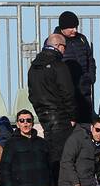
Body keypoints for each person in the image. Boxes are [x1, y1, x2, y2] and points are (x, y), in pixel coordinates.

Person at [29, 33, 76, 176]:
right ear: (58, 46)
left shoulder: (33, 67)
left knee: (50, 156)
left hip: (43, 116)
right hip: (60, 117)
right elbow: (68, 92)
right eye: (64, 48)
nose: (64, 51)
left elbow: (31, 93)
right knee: (63, 158)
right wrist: (72, 116)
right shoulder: (58, 65)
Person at [0, 109, 49, 186]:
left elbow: (49, 168)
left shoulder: (42, 143)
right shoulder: (11, 143)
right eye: (22, 120)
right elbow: (4, 169)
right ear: (17, 124)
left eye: (28, 120)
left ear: (32, 123)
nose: (25, 123)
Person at [54, 11, 97, 124]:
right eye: (71, 28)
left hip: (84, 89)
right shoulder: (54, 41)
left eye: (76, 27)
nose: (75, 30)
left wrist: (90, 77)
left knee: (86, 123)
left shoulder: (82, 39)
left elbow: (90, 60)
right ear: (63, 27)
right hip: (67, 91)